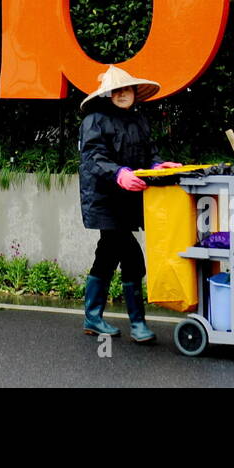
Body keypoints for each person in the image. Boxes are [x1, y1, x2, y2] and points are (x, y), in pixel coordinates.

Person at [77, 65, 180, 343]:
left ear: (135, 92)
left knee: (108, 254)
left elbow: (150, 154)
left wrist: (159, 166)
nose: (123, 94)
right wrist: (118, 173)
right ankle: (138, 324)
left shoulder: (139, 121)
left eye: (127, 89)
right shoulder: (95, 120)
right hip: (105, 198)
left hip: (130, 199)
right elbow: (94, 158)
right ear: (108, 95)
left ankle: (93, 318)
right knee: (132, 257)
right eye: (116, 90)